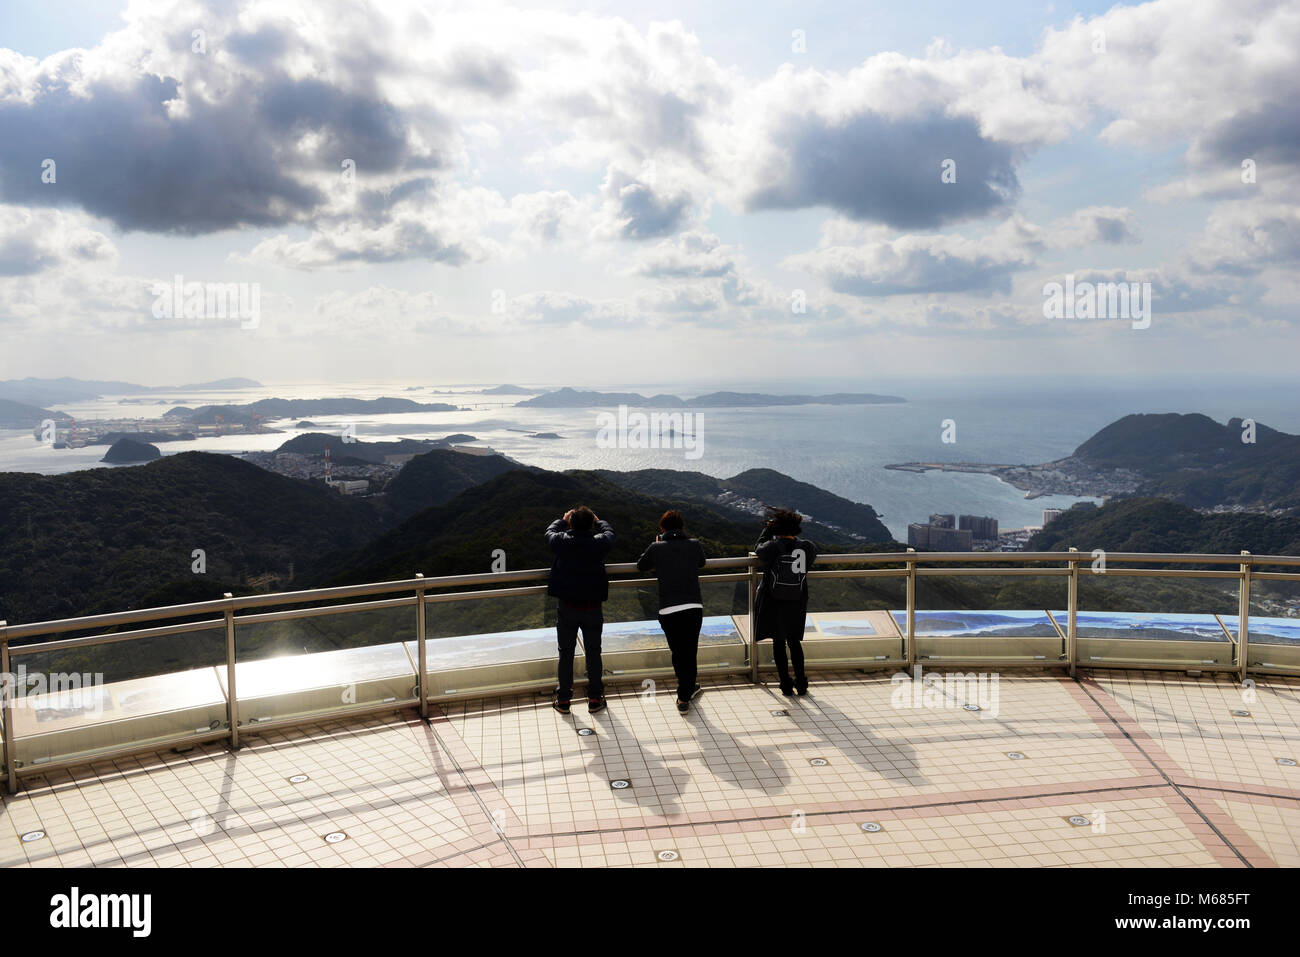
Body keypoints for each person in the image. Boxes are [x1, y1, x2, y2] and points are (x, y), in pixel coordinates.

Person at [636, 510, 707, 713]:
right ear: (682, 527)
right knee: (690, 650)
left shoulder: (657, 547)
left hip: (669, 608)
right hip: (693, 606)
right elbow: (701, 562)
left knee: (678, 651)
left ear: (662, 528)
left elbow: (641, 566)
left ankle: (684, 693)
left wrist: (656, 544)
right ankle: (685, 693)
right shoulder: (694, 545)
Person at [546, 505, 614, 714]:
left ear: (571, 524)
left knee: (565, 653)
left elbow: (549, 533)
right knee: (594, 652)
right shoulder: (598, 543)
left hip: (567, 606)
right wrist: (598, 521)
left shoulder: (562, 542)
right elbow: (609, 533)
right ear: (591, 524)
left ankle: (564, 699)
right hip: (593, 607)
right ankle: (595, 698)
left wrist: (562, 520)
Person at [753, 508, 818, 696]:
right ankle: (802, 683)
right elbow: (810, 560)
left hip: (774, 599)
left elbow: (759, 549)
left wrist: (767, 531)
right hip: (797, 599)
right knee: (794, 642)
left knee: (779, 643)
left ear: (778, 528)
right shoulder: (807, 547)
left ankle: (786, 684)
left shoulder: (773, 547)